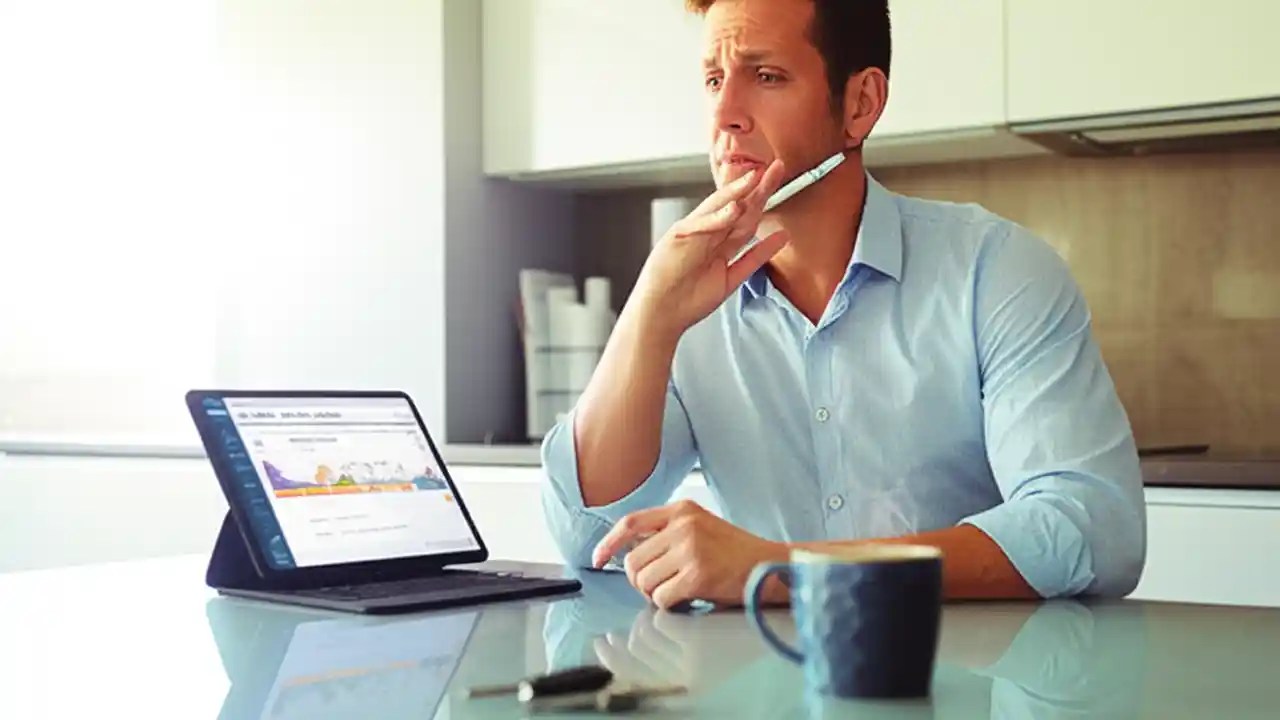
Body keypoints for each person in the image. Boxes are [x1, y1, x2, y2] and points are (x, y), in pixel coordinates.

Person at [539, 0, 1146, 609]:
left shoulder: (997, 270)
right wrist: (647, 314)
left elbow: (1092, 528)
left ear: (861, 104)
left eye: (766, 76)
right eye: (714, 80)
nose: (724, 115)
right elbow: (588, 536)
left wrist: (785, 570)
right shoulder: (685, 304)